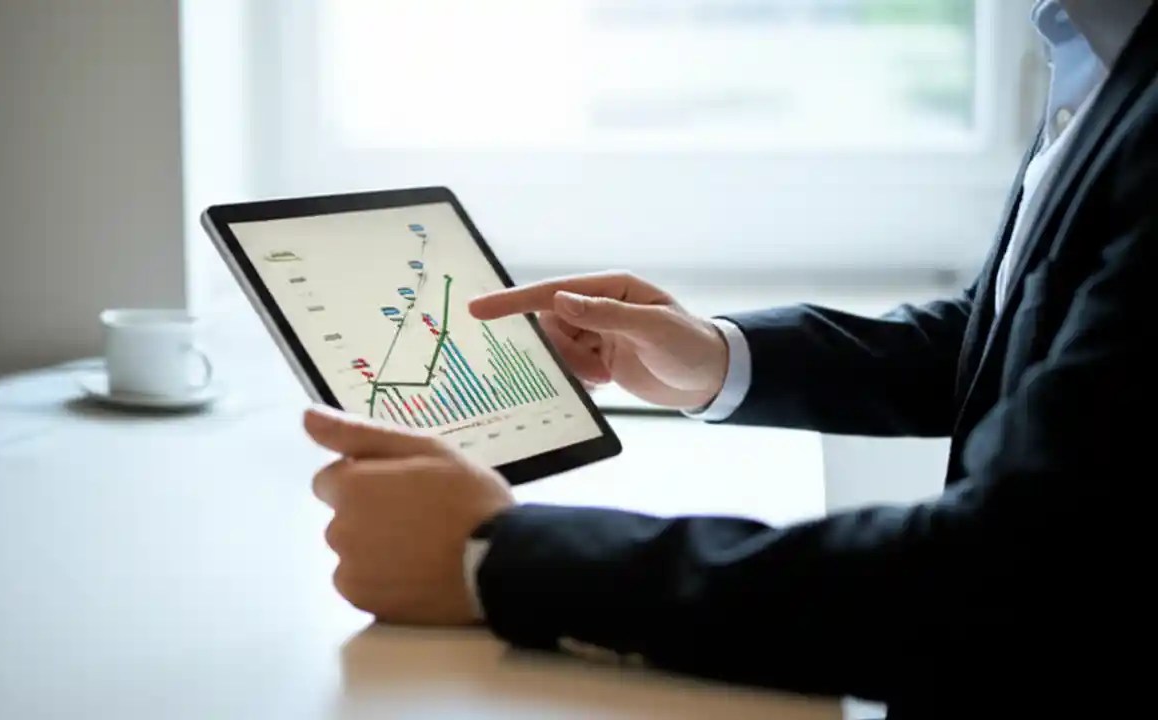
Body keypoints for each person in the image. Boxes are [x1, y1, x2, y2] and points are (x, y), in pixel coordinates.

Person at [303, 2, 1154, 717]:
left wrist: (494, 558)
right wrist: (716, 358)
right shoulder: (1093, 43)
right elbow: (1008, 333)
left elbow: (999, 578)